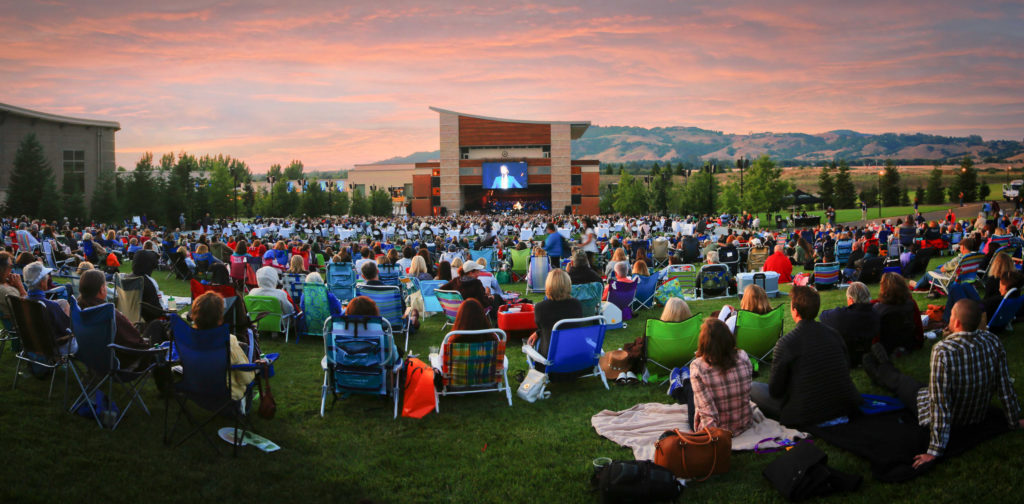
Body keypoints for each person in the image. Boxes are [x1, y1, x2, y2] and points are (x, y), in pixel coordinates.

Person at [863, 300, 1024, 469]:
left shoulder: (943, 350)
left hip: (952, 418)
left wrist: (934, 450)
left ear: (956, 322)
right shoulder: (993, 341)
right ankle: (882, 364)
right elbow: (1005, 386)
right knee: (918, 385)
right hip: (976, 413)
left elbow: (940, 403)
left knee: (902, 383)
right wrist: (1014, 421)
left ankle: (880, 367)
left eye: (952, 315)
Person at [751, 285, 860, 427]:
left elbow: (775, 391)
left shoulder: (787, 343)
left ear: (795, 310)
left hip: (805, 414)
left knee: (753, 387)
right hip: (842, 408)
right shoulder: (833, 334)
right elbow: (846, 368)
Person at [77, 269, 165, 370]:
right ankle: (166, 374)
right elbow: (134, 342)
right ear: (102, 289)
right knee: (156, 325)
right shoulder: (107, 313)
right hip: (122, 362)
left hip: (92, 358)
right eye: (105, 285)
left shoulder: (79, 309)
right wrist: (145, 344)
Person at [684, 317, 753, 433]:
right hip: (744, 423)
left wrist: (712, 436)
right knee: (691, 388)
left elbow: (707, 413)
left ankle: (678, 384)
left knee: (689, 390)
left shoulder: (698, 366)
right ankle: (681, 380)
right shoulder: (743, 356)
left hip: (717, 432)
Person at [190, 292, 255, 400]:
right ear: (220, 317)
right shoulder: (229, 341)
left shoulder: (188, 338)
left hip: (197, 390)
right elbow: (247, 378)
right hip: (225, 395)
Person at [527, 269, 582, 371]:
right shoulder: (576, 305)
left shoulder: (540, 307)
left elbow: (543, 326)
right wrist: (538, 332)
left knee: (537, 341)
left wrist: (538, 332)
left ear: (548, 286)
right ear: (568, 285)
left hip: (550, 365)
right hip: (577, 363)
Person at [819, 282, 880, 367]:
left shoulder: (841, 316)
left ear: (850, 300)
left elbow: (822, 316)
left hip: (847, 358)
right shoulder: (875, 313)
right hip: (868, 354)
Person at [21, 261, 74, 354]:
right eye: (47, 278)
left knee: (63, 302)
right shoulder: (50, 306)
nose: (49, 278)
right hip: (54, 347)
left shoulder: (22, 302)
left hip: (32, 344)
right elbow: (65, 329)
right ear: (42, 283)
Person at [0, 251, 27, 321]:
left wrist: (14, 286)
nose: (12, 269)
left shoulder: (5, 284)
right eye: (11, 266)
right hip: (26, 324)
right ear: (2, 268)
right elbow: (28, 307)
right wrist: (20, 286)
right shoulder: (4, 290)